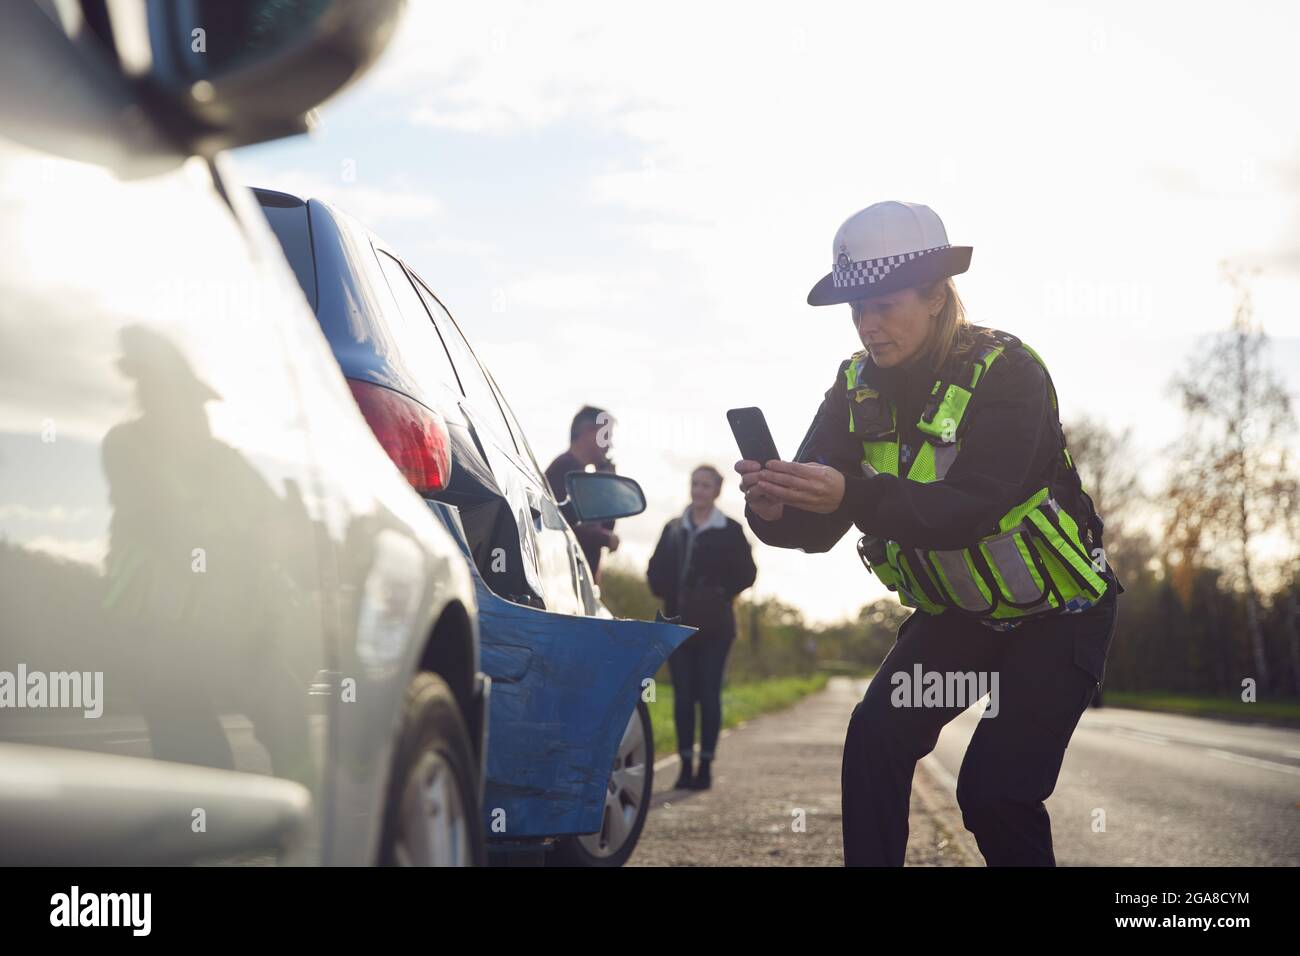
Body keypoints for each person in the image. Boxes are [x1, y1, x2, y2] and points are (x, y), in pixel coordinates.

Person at [737, 201, 1123, 866]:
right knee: (875, 737)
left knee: (996, 793)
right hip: (961, 617)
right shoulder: (853, 385)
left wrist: (849, 493)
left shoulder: (1010, 373)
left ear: (938, 297)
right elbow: (819, 517)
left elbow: (969, 508)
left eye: (884, 305)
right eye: (857, 310)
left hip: (1059, 614)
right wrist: (774, 510)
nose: (868, 325)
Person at [648, 465, 757, 790]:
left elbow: (748, 574)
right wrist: (673, 593)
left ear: (717, 491)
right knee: (683, 696)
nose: (698, 490)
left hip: (717, 627)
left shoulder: (730, 529)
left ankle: (705, 767)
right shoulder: (673, 528)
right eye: (695, 484)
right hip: (677, 624)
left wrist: (719, 593)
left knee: (709, 695)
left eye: (705, 485)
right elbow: (655, 572)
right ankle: (684, 766)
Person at [545, 405, 619, 581]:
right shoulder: (565, 469)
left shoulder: (581, 476)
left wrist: (607, 486)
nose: (609, 445)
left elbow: (606, 525)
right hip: (564, 580)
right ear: (589, 432)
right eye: (606, 436)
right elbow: (560, 521)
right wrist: (605, 538)